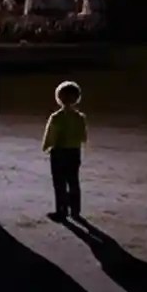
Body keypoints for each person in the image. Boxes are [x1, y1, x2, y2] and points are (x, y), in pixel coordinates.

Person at [42, 80, 87, 220]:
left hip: (60, 152)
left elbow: (51, 135)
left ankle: (61, 210)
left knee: (59, 182)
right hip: (74, 151)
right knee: (73, 181)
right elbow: (83, 137)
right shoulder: (80, 117)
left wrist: (47, 146)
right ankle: (75, 210)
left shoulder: (56, 117)